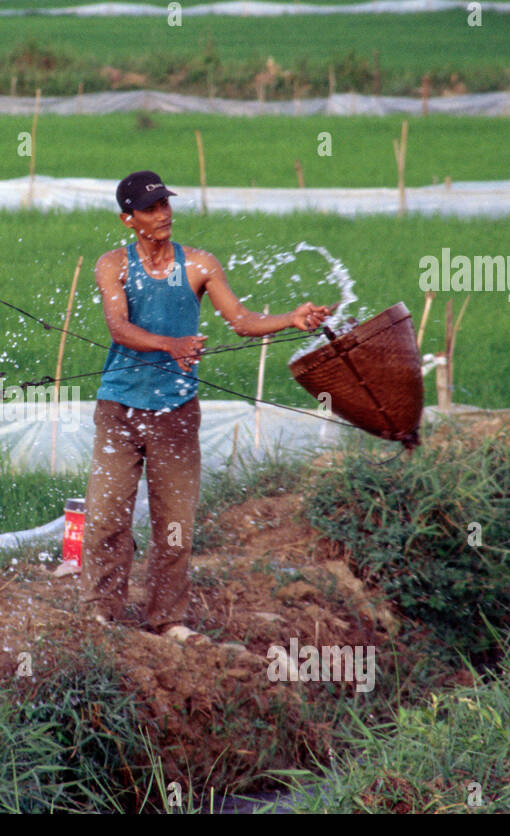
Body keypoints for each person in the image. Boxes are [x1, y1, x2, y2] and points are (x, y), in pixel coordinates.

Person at [81, 170, 329, 640]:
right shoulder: (112, 264)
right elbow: (119, 328)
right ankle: (101, 613)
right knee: (107, 515)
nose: (164, 214)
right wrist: (170, 345)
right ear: (128, 219)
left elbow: (240, 319)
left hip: (175, 413)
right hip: (119, 408)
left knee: (175, 523)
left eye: (166, 204)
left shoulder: (198, 265)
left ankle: (166, 618)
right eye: (152, 208)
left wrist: (290, 318)